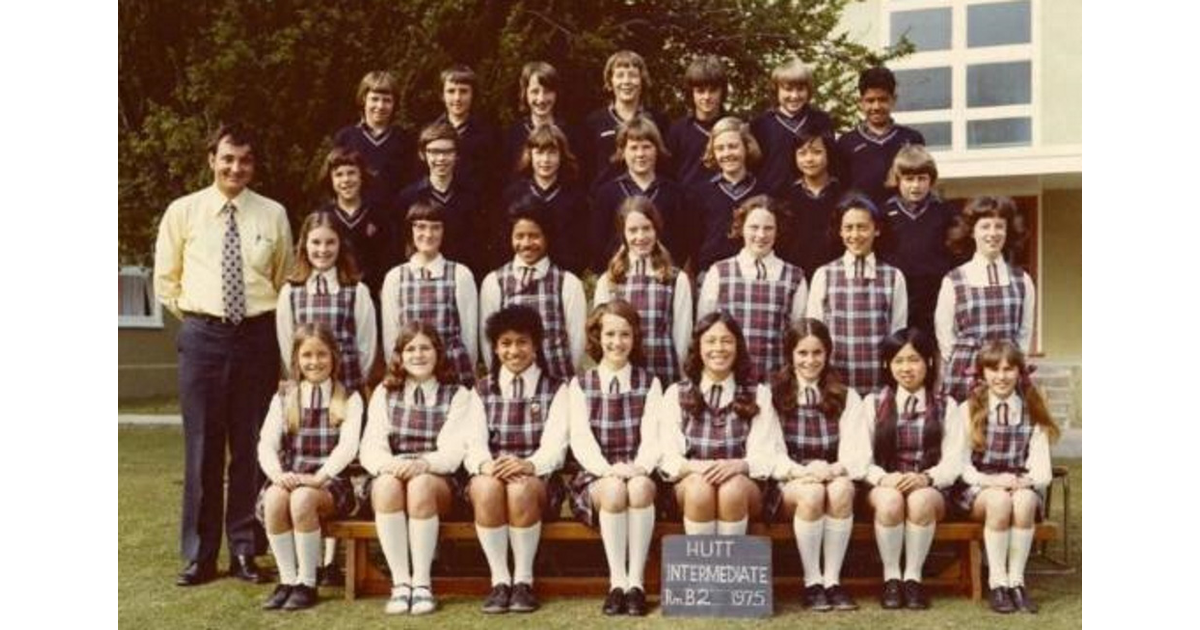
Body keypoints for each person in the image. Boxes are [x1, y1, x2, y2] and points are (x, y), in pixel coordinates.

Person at [154, 122, 293, 586]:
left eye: (246, 160)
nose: (236, 168)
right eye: (228, 158)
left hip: (256, 338)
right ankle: (199, 554)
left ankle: (246, 550)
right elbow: (166, 282)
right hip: (202, 338)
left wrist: (251, 327)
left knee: (252, 448)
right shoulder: (183, 212)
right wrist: (203, 323)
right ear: (211, 159)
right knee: (203, 450)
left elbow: (282, 278)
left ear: (254, 165)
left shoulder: (272, 214)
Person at [360, 322, 480, 615]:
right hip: (394, 473)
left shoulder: (458, 394)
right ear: (399, 356)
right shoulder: (384, 393)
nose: (418, 355)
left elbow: (453, 452)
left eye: (425, 348)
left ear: (438, 353)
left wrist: (423, 464)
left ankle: (423, 582)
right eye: (410, 349)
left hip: (437, 479)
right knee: (387, 484)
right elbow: (371, 447)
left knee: (421, 485)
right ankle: (401, 583)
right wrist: (392, 466)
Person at [464, 305, 571, 614]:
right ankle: (500, 580)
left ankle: (523, 580)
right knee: (486, 488)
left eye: (522, 342)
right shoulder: (482, 390)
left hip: (536, 480)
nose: (514, 350)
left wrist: (529, 465)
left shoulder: (555, 389)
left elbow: (556, 445)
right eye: (506, 343)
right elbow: (474, 443)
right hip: (492, 475)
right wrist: (486, 466)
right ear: (495, 348)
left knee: (520, 488)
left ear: (535, 345)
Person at [256, 324, 362, 610]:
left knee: (302, 499)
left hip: (329, 483)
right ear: (296, 359)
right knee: (275, 497)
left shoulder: (349, 398)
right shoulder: (284, 398)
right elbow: (266, 442)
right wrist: (277, 475)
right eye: (307, 355)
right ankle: (287, 580)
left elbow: (347, 447)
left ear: (334, 357)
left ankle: (307, 582)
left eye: (321, 354)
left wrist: (319, 477)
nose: (314, 362)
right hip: (292, 476)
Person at [567, 301, 662, 616]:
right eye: (610, 334)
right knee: (614, 490)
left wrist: (639, 468)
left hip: (637, 471)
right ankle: (616, 582)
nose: (617, 342)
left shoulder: (650, 383)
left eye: (624, 334)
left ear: (634, 338)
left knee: (638, 489)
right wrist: (608, 471)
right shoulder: (581, 384)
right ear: (598, 337)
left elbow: (653, 436)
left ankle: (636, 584)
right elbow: (581, 439)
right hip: (597, 475)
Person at [858, 328, 964, 610]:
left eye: (914, 360)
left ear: (928, 362)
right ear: (887, 365)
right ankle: (891, 577)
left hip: (930, 488)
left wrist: (926, 478)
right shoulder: (872, 404)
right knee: (892, 501)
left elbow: (955, 461)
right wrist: (884, 478)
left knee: (918, 501)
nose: (907, 368)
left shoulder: (946, 406)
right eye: (899, 361)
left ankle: (913, 578)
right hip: (884, 487)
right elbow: (860, 460)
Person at [767, 319, 867, 612]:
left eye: (817, 353)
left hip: (833, 473)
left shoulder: (846, 395)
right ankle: (812, 582)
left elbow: (858, 453)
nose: (810, 361)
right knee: (812, 495)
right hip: (790, 481)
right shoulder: (772, 394)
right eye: (802, 353)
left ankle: (832, 582)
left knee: (840, 492)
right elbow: (770, 453)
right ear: (790, 354)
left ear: (827, 354)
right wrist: (803, 472)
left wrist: (835, 469)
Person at [952, 340, 1059, 614]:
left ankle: (1017, 582)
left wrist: (1022, 483)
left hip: (1020, 483)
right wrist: (995, 482)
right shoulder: (968, 409)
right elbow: (962, 468)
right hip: (980, 488)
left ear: (1019, 373)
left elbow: (1042, 471)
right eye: (993, 369)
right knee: (999, 502)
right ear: (982, 373)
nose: (1001, 376)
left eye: (1008, 369)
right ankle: (997, 582)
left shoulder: (1031, 409)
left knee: (1023, 503)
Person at [658, 312, 784, 536]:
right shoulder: (676, 394)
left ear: (738, 347)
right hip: (690, 486)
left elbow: (765, 454)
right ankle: (702, 568)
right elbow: (668, 458)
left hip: (744, 487)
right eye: (710, 341)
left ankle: (731, 567)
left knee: (731, 489)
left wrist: (738, 466)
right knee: (700, 488)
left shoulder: (759, 394)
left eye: (727, 341)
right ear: (698, 347)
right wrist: (699, 468)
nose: (719, 348)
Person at [935, 195, 1036, 403]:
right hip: (967, 370)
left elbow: (1025, 332)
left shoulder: (1021, 280)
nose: (993, 233)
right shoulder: (954, 279)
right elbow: (945, 333)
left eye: (999, 226)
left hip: (1006, 371)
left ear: (1008, 232)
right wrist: (963, 363)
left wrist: (1013, 365)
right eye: (985, 226)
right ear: (972, 232)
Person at [697, 194, 807, 383]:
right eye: (754, 227)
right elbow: (703, 330)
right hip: (729, 378)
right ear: (741, 228)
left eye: (768, 228)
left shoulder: (794, 277)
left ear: (777, 231)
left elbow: (800, 336)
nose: (761, 235)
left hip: (776, 379)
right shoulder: (720, 272)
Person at [806, 193, 907, 396]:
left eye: (862, 227)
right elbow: (814, 333)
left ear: (876, 230)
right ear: (840, 232)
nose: (855, 234)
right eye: (848, 228)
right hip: (835, 380)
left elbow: (897, 333)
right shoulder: (824, 274)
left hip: (878, 381)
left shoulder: (893, 276)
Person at [479, 198, 587, 381]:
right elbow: (487, 338)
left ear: (547, 237)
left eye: (534, 236)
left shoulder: (568, 283)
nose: (527, 243)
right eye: (519, 236)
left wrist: (565, 380)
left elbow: (577, 342)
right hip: (511, 382)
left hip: (557, 382)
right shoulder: (494, 282)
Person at [593, 197, 692, 386]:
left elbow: (682, 335)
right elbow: (600, 336)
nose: (640, 237)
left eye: (647, 228)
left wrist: (681, 379)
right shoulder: (609, 280)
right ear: (623, 234)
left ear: (656, 230)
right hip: (622, 373)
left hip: (663, 371)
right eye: (633, 230)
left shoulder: (675, 279)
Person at [276, 211, 377, 396]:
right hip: (306, 389)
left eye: (330, 242)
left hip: (347, 386)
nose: (323, 250)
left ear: (340, 245)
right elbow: (287, 347)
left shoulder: (357, 291)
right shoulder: (290, 292)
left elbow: (366, 346)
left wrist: (356, 383)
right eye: (316, 242)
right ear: (305, 244)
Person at [381, 201, 478, 387]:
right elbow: (391, 337)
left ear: (444, 231)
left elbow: (469, 336)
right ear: (410, 230)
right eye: (421, 227)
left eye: (436, 227)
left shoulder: (460, 274)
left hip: (452, 370)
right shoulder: (395, 277)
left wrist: (465, 370)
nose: (428, 234)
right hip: (412, 369)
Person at [588, 116, 683, 273]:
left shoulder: (673, 193)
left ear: (657, 149)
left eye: (646, 147)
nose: (640, 154)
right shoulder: (607, 193)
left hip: (663, 275)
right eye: (633, 148)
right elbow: (598, 242)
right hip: (619, 274)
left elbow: (681, 240)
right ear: (622, 151)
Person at [879, 144, 955, 335]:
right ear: (898, 180)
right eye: (909, 179)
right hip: (897, 295)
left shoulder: (945, 212)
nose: (915, 185)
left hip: (934, 296)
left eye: (922, 179)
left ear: (931, 180)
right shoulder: (884, 214)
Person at [393, 122, 485, 276]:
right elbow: (398, 244)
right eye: (434, 152)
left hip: (462, 276)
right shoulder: (408, 197)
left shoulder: (472, 195)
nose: (441, 158)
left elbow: (479, 246)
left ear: (457, 155)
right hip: (419, 275)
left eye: (448, 152)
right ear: (423, 154)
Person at [502, 123, 589, 275]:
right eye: (539, 153)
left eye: (552, 153)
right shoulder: (513, 195)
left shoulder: (576, 198)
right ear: (530, 154)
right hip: (521, 273)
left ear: (562, 155)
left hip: (564, 277)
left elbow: (581, 247)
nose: (545, 160)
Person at [686, 117, 769, 273]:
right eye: (720, 148)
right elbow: (692, 242)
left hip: (754, 272)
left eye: (733, 146)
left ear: (746, 146)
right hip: (710, 273)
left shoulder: (764, 191)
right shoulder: (699, 193)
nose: (727, 153)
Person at [835, 66, 925, 206]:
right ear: (860, 102)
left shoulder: (912, 139)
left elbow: (923, 184)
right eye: (870, 100)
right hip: (864, 222)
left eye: (882, 100)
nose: (876, 107)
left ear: (893, 100)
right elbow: (842, 191)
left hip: (901, 222)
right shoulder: (846, 142)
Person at [314, 147, 394, 301]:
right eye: (339, 175)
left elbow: (389, 257)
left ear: (362, 176)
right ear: (330, 180)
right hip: (333, 293)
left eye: (351, 173)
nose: (346, 180)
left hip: (374, 295)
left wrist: (385, 287)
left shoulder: (378, 215)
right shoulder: (322, 217)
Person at [582, 50, 669, 191]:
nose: (626, 81)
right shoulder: (594, 122)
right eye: (620, 75)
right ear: (610, 81)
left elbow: (665, 166)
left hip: (647, 201)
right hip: (606, 203)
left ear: (642, 80)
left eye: (633, 75)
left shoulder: (658, 121)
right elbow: (586, 170)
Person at [750, 58, 836, 198]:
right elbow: (754, 168)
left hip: (812, 198)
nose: (794, 96)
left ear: (809, 91)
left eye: (800, 89)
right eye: (788, 89)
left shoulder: (821, 120)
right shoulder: (761, 124)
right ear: (776, 90)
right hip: (772, 200)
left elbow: (831, 161)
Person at [332, 70, 413, 210]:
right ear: (364, 99)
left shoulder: (405, 139)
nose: (380, 106)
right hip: (356, 215)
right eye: (374, 99)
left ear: (394, 103)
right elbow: (335, 181)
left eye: (387, 100)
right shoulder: (346, 137)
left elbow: (411, 185)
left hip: (395, 218)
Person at [780, 128, 844, 280]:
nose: (809, 159)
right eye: (802, 153)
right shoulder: (785, 197)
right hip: (796, 274)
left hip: (836, 273)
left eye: (817, 152)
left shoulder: (843, 194)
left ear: (829, 153)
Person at [502, 61, 576, 185]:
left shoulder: (571, 133)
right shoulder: (512, 134)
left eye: (547, 91)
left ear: (556, 93)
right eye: (535, 92)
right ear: (525, 93)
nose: (541, 99)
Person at [430, 64, 499, 196]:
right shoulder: (431, 133)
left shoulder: (488, 134)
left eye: (463, 91)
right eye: (451, 91)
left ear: (473, 94)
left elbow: (493, 181)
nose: (457, 98)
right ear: (442, 95)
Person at [666, 55, 728, 188]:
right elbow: (668, 174)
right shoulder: (678, 130)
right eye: (700, 91)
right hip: (687, 203)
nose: (707, 97)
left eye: (713, 90)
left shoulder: (735, 128)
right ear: (691, 93)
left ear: (722, 92)